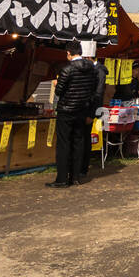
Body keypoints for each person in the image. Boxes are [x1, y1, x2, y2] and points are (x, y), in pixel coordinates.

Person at [51, 42, 101, 188]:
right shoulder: (92, 69)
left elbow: (59, 91)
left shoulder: (67, 70)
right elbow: (93, 90)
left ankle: (62, 179)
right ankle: (75, 177)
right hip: (82, 110)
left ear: (68, 53)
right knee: (78, 143)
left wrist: (56, 83)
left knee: (63, 144)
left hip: (66, 111)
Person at [78, 49, 107, 182]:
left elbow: (99, 93)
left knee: (85, 139)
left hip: (91, 109)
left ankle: (83, 168)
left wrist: (91, 113)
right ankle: (80, 166)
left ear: (89, 57)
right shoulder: (92, 70)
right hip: (86, 107)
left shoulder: (99, 71)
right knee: (82, 138)